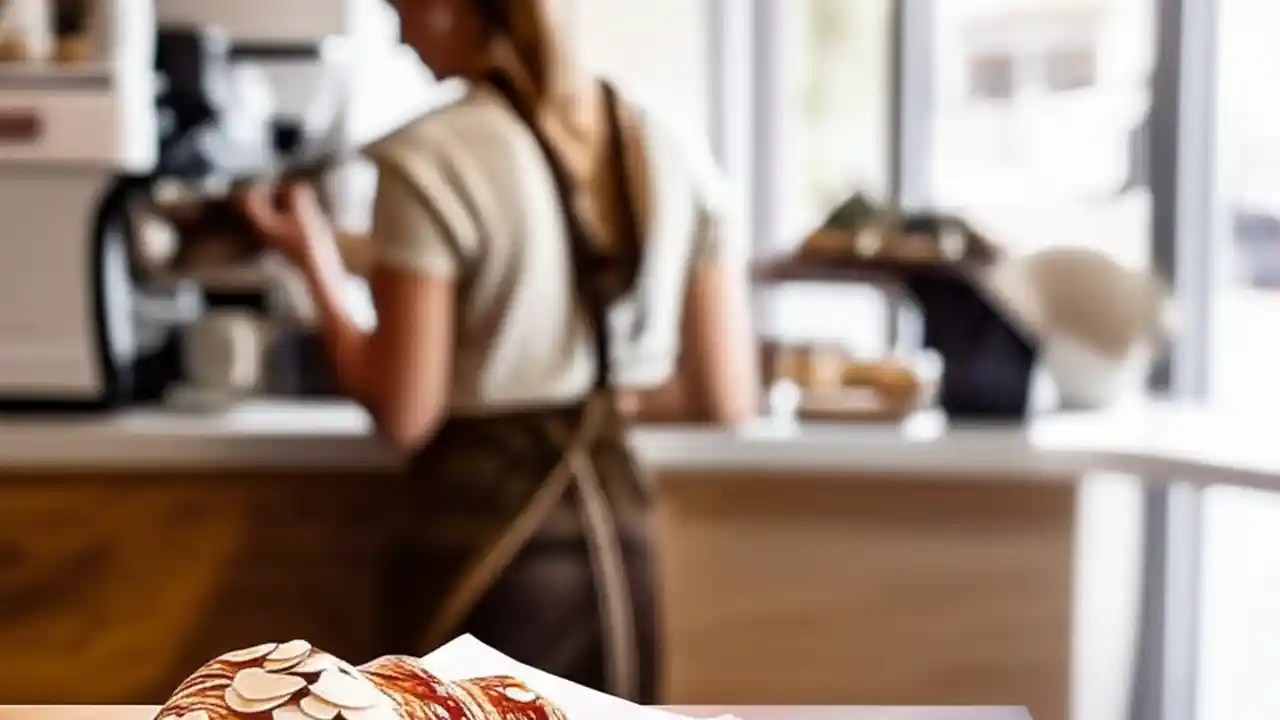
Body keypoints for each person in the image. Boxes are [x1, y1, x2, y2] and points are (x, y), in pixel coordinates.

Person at [239, 0, 758, 704]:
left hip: (484, 550)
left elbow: (405, 412)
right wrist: (579, 394)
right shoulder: (668, 143)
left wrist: (315, 263)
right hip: (619, 555)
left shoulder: (427, 156)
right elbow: (722, 398)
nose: (396, 32)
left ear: (450, 6)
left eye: (401, 8)